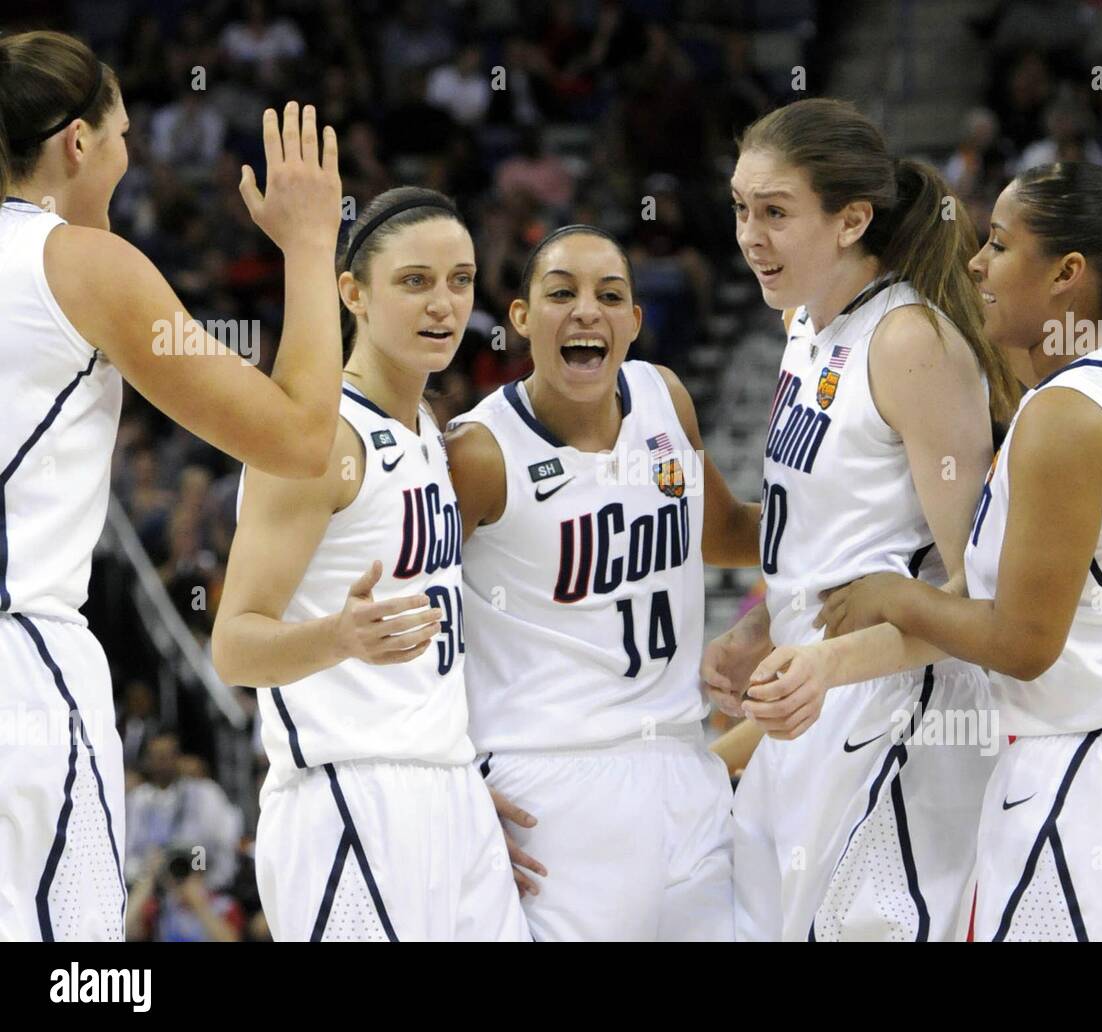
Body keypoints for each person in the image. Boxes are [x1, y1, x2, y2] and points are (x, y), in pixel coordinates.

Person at [749, 162, 1102, 941]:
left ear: (1067, 275)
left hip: (1101, 788)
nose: (976, 264)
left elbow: (1022, 643)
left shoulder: (1065, 415)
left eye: (998, 244)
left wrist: (893, 593)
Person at [0, 30, 342, 942]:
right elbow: (303, 438)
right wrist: (311, 243)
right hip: (20, 681)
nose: (128, 151)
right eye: (119, 133)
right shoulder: (84, 268)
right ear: (77, 143)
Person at [707, 97, 1018, 941]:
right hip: (810, 703)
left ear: (851, 219)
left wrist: (828, 659)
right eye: (740, 208)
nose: (749, 235)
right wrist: (763, 623)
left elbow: (977, 599)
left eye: (775, 212)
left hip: (902, 712)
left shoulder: (908, 340)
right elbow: (836, 531)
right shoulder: (803, 325)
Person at [211, 188, 529, 941]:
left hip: (447, 796)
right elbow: (232, 647)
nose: (443, 304)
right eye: (415, 281)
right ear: (351, 293)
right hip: (346, 797)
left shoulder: (427, 428)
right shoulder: (320, 444)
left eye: (461, 280)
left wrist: (455, 781)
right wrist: (337, 639)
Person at [445, 224, 759, 940]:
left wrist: (845, 532)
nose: (587, 310)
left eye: (609, 295)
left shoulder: (663, 397)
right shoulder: (478, 453)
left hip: (684, 763)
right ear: (521, 318)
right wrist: (452, 783)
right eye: (562, 294)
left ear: (633, 322)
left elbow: (722, 532)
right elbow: (417, 619)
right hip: (549, 785)